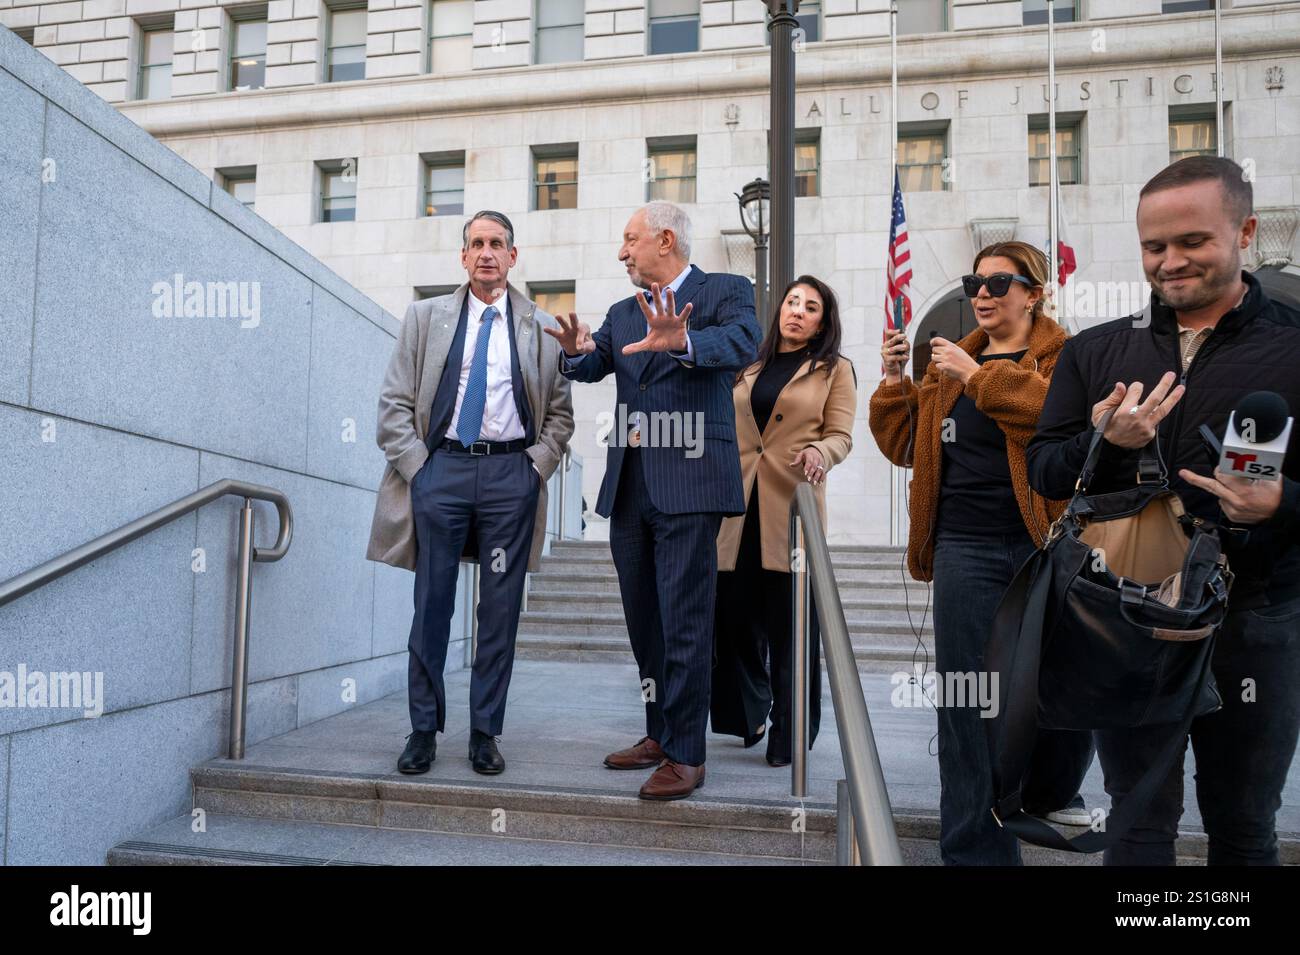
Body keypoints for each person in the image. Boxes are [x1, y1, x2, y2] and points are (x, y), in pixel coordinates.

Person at [1027, 155, 1300, 866]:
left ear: (1243, 231)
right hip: (1128, 612)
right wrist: (1106, 440)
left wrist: (1281, 501)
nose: (1170, 261)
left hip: (1258, 618)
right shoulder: (1095, 349)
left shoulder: (1294, 344)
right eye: (1154, 246)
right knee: (1138, 817)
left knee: (1244, 824)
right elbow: (1045, 468)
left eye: (1192, 242)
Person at [869, 240, 1093, 865]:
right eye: (976, 284)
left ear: (1034, 292)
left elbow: (1058, 422)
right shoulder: (947, 368)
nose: (984, 294)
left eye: (999, 282)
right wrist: (895, 383)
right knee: (967, 700)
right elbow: (908, 446)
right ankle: (975, 850)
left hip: (1044, 544)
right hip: (964, 545)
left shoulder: (1065, 356)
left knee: (1061, 689)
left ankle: (1048, 790)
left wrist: (981, 379)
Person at [544, 201, 761, 800]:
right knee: (646, 622)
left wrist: (684, 338)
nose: (622, 252)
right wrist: (574, 352)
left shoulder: (725, 290)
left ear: (665, 240)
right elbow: (594, 365)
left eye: (629, 239)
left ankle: (688, 753)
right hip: (631, 485)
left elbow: (743, 342)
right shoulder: (621, 311)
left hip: (690, 479)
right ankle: (659, 731)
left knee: (686, 619)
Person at [367, 210, 574, 777]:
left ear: (513, 255)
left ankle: (485, 732)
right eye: (476, 243)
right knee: (431, 607)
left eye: (497, 244)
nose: (486, 252)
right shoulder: (424, 318)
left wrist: (535, 470)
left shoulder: (542, 326)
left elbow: (559, 415)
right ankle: (422, 731)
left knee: (499, 611)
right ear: (464, 257)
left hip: (511, 477)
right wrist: (420, 471)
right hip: (444, 474)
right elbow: (393, 406)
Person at [712, 275, 856, 767]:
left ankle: (790, 729)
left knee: (790, 629)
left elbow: (840, 435)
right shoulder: (748, 362)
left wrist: (820, 449)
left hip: (790, 511)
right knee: (730, 618)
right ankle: (752, 707)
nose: (797, 311)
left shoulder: (834, 370)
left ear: (822, 323)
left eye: (810, 306)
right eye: (791, 301)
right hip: (734, 508)